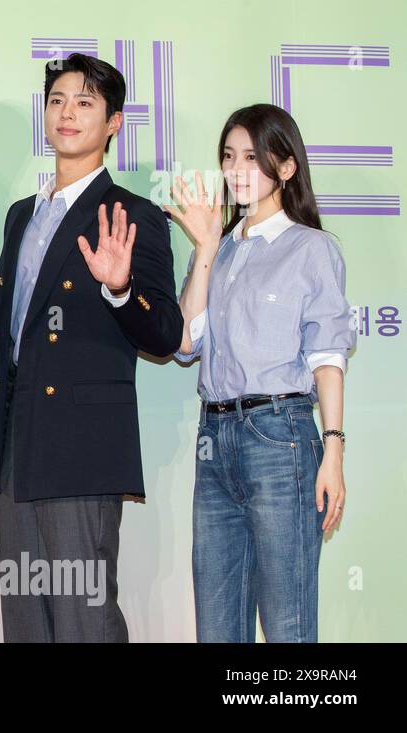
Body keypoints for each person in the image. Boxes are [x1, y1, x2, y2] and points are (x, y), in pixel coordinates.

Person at [0, 53, 183, 642]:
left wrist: (120, 288)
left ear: (113, 122)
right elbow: (11, 319)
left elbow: (163, 332)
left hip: (81, 450)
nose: (67, 112)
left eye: (85, 102)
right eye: (57, 100)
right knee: (25, 619)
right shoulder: (21, 215)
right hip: (16, 443)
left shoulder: (132, 214)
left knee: (83, 620)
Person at [166, 103, 353, 643]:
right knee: (218, 627)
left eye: (252, 156)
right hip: (214, 438)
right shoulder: (219, 250)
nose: (236, 169)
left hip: (281, 438)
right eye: (228, 156)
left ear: (286, 167)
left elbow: (327, 358)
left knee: (288, 623)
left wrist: (334, 450)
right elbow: (185, 344)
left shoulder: (311, 249)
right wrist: (204, 247)